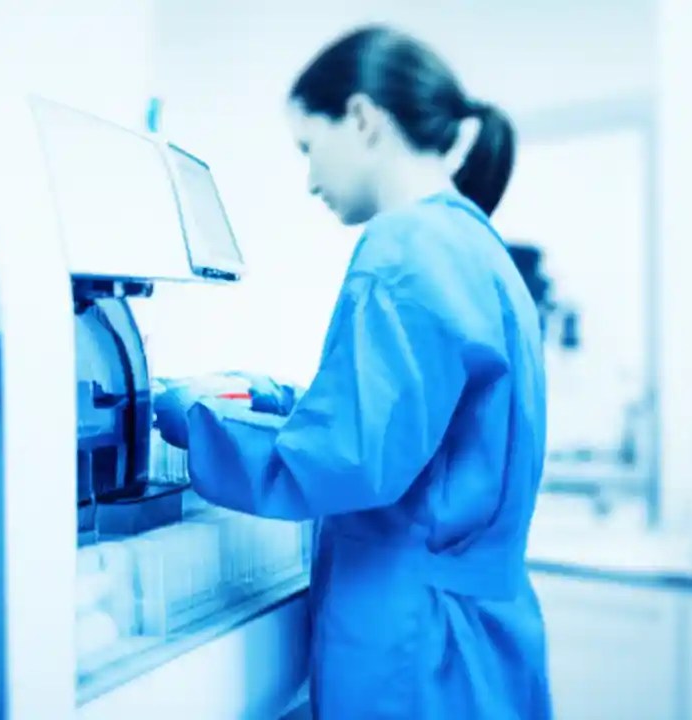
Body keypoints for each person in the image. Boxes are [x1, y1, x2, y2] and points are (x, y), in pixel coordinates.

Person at [153, 25, 551, 719]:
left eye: (309, 147)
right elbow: (430, 439)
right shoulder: (474, 244)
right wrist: (281, 401)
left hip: (411, 645)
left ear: (363, 118)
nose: (309, 180)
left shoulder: (404, 245)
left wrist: (194, 419)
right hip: (482, 636)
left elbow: (343, 461)